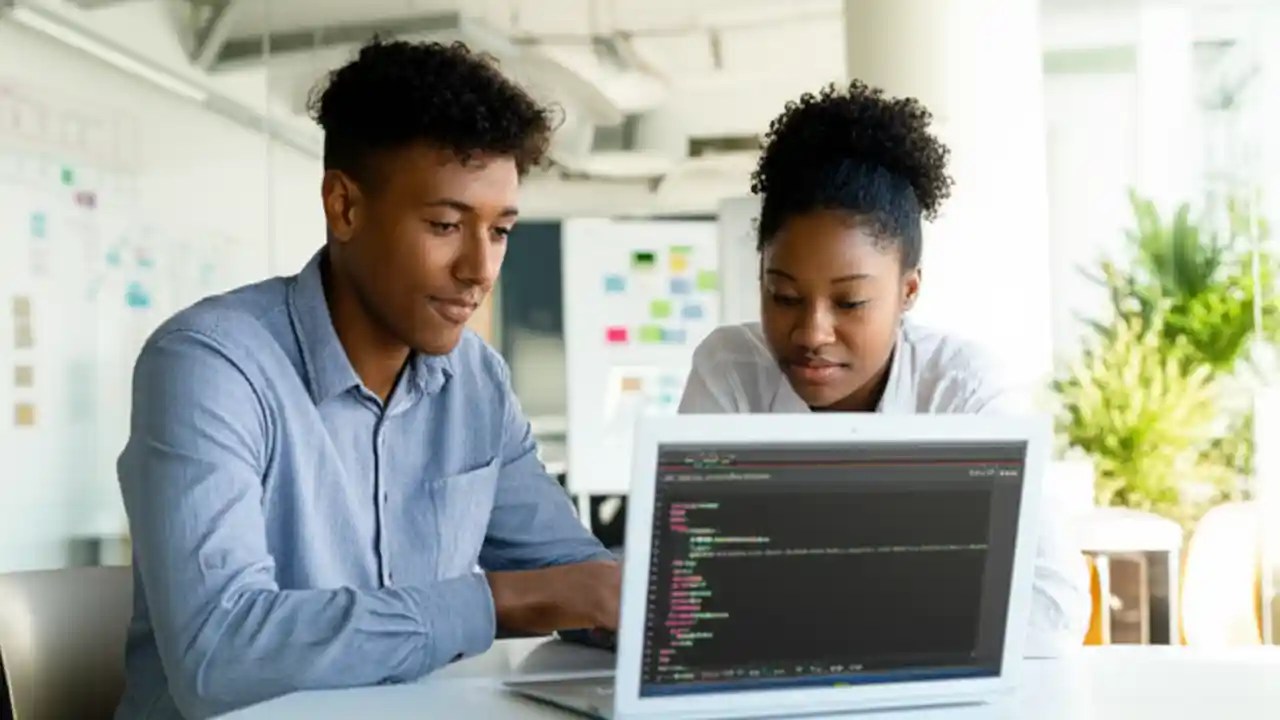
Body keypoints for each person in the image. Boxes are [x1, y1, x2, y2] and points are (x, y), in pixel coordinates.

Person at [115, 39, 618, 720]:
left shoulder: (477, 381)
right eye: (446, 224)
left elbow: (576, 577)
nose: (479, 268)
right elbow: (220, 653)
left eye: (499, 231)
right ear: (344, 207)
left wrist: (649, 597)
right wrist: (495, 602)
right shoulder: (210, 364)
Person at [678, 81, 1090, 655]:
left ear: (908, 290)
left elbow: (1054, 606)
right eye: (785, 296)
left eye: (850, 303)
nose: (812, 333)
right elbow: (694, 587)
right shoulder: (730, 371)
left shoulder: (967, 393)